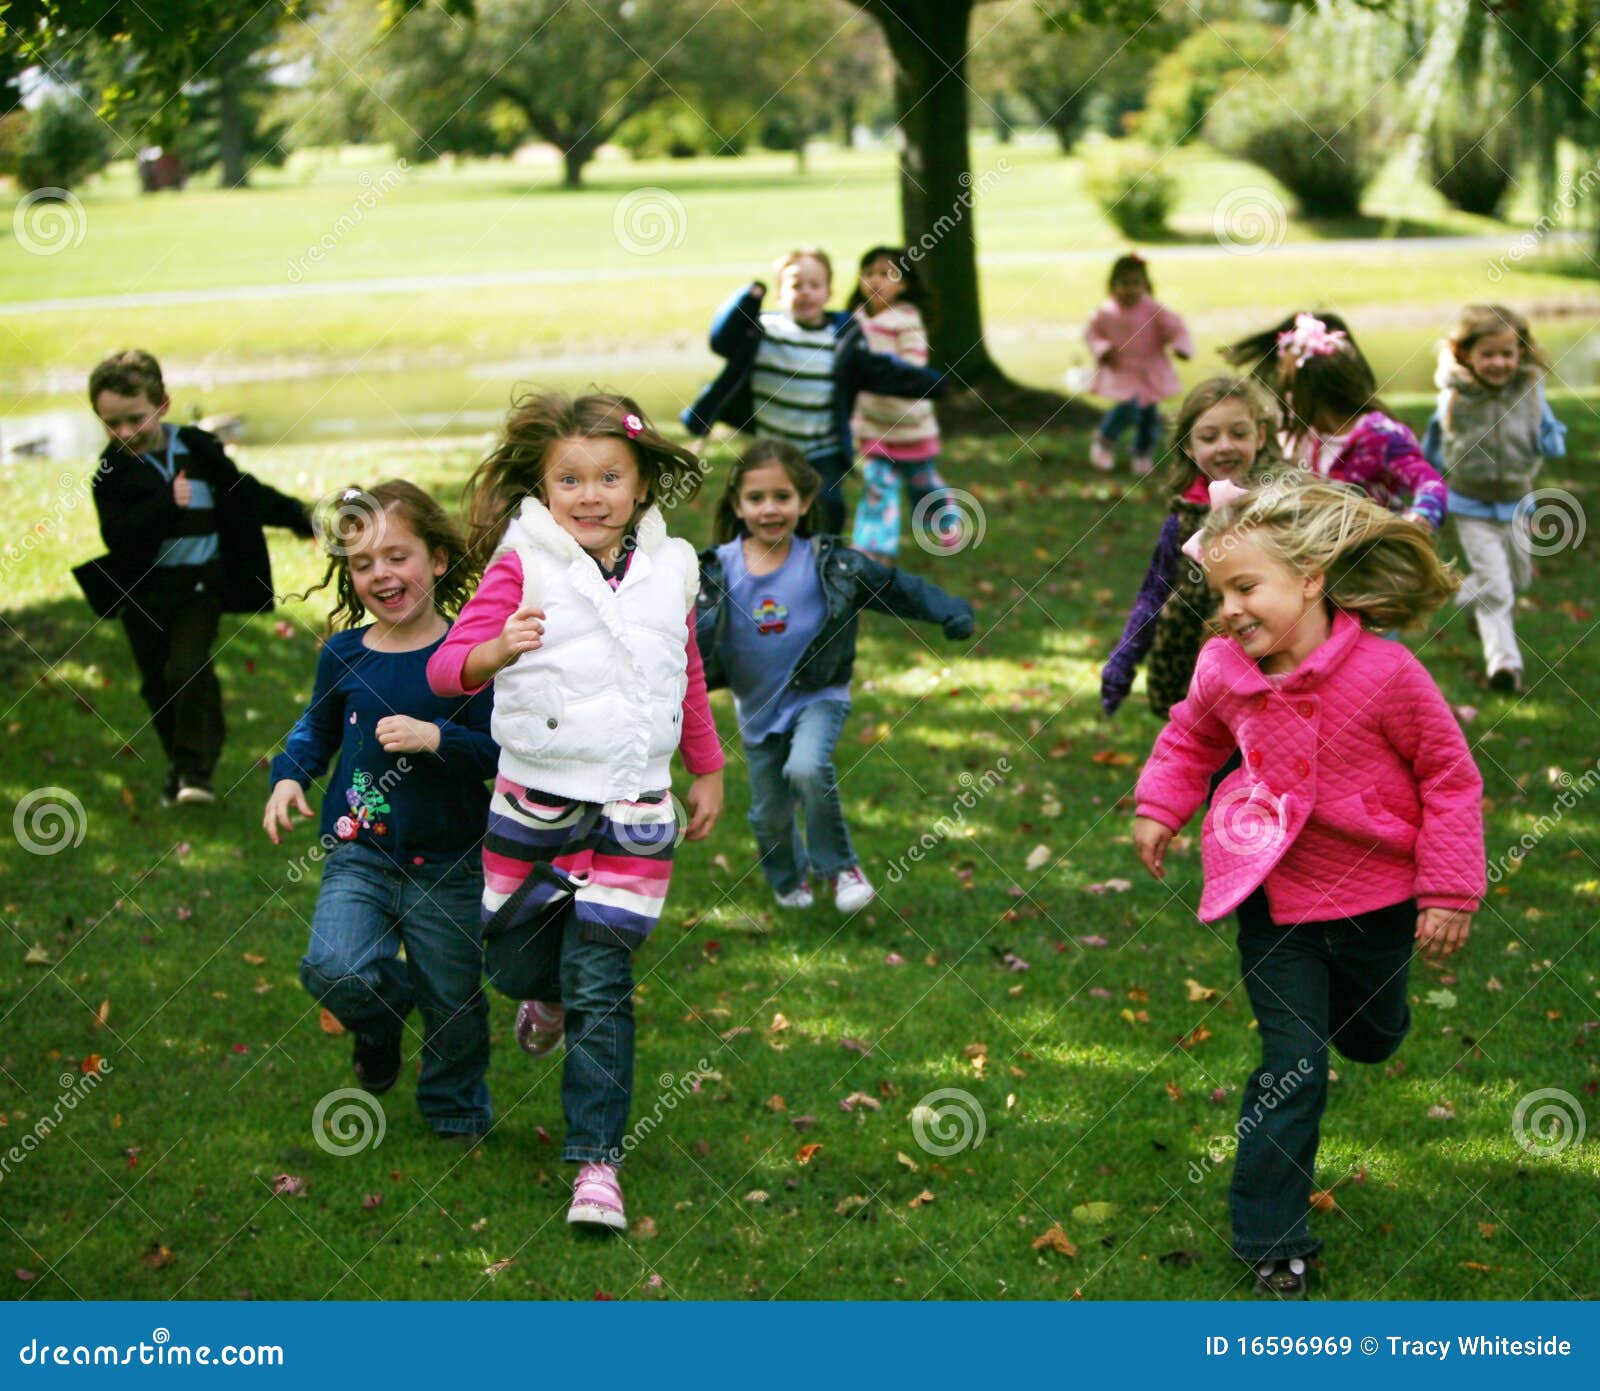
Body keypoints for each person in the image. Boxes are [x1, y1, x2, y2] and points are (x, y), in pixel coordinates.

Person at [1132, 477, 1483, 1298]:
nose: (1229, 610)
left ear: (1312, 579)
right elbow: (1190, 737)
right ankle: (1273, 1239)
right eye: (1220, 592)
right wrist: (1158, 807)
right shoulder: (1224, 669)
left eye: (1246, 588)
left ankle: (1373, 1021)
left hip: (1377, 902)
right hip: (1276, 902)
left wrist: (1448, 888)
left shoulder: (1387, 674)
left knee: (1371, 1038)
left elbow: (1449, 776)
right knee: (1293, 1066)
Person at [427, 391, 724, 1233]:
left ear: (642, 484)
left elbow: (685, 671)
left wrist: (706, 764)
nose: (590, 496)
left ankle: (597, 1163)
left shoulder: (673, 568)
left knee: (603, 978)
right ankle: (544, 997)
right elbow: (447, 669)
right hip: (537, 800)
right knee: (517, 963)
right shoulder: (523, 563)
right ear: (544, 487)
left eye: (609, 477)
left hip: (635, 805)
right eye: (570, 479)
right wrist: (495, 649)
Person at [264, 482, 495, 1141]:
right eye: (363, 563)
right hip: (358, 849)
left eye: (398, 556)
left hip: (449, 861)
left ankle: (454, 1105)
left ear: (438, 559)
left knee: (453, 1001)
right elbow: (315, 729)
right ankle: (382, 1016)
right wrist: (289, 775)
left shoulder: (471, 655)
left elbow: (502, 751)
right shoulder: (345, 654)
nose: (381, 574)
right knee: (331, 966)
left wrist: (437, 737)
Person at [696, 439, 974, 914]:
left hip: (819, 694)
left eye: (782, 497)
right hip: (758, 708)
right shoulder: (716, 570)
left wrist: (949, 610)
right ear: (738, 505)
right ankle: (788, 878)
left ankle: (842, 868)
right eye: (756, 498)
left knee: (807, 768)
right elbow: (675, 629)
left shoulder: (832, 564)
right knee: (770, 814)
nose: (769, 509)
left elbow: (895, 587)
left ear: (805, 502)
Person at [79, 349, 313, 805]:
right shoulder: (111, 474)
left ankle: (194, 774)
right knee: (158, 685)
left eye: (135, 419)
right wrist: (167, 504)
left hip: (199, 588)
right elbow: (120, 537)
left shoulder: (198, 449)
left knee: (186, 669)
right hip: (144, 593)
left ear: (162, 405)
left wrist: (300, 516)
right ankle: (181, 764)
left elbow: (243, 493)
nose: (124, 432)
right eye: (111, 424)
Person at [681, 246, 945, 534]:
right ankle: (757, 555)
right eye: (796, 285)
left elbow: (879, 370)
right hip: (772, 447)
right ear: (780, 294)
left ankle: (823, 555)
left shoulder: (841, 336)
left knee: (828, 507)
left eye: (814, 285)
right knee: (759, 511)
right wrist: (749, 297)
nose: (805, 292)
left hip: (822, 449)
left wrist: (930, 382)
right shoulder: (764, 330)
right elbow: (721, 339)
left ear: (828, 293)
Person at [1102, 376, 1286, 719]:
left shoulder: (1281, 506)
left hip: (1268, 666)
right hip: (1193, 670)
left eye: (1239, 433)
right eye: (1209, 437)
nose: (1225, 446)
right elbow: (1154, 592)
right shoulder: (1183, 517)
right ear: (1189, 445)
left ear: (1260, 436)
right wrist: (1124, 658)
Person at [1421, 304, 1566, 693]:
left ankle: (1467, 594)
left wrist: (1552, 438)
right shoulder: (1456, 394)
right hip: (1470, 505)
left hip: (1517, 502)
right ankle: (1504, 666)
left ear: (1521, 353)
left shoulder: (1529, 389)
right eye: (1488, 354)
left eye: (1507, 353)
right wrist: (1426, 478)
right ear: (1466, 353)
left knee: (1517, 579)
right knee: (1499, 589)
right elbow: (1436, 436)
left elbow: (1544, 421)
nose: (1498, 363)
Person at [1272, 314, 1448, 531]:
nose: (1287, 399)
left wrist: (1421, 517)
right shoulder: (1310, 439)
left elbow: (1429, 483)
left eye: (1290, 390)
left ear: (1310, 397)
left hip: (1379, 544)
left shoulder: (1381, 435)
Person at [845, 245, 960, 561]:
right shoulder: (853, 320)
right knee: (878, 485)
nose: (875, 280)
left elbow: (914, 368)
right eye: (869, 273)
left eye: (886, 274)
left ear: (904, 283)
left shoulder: (907, 320)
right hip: (872, 424)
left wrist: (880, 371)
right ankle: (873, 547)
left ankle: (945, 520)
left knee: (922, 483)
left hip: (910, 424)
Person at [1085, 253, 1193, 475]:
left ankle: (1142, 453)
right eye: (1124, 283)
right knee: (1127, 408)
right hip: (1123, 370)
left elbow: (1176, 329)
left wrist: (1180, 347)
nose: (1130, 289)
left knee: (1149, 418)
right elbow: (1092, 334)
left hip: (1149, 371)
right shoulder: (1106, 312)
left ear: (1145, 285)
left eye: (1135, 283)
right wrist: (1103, 349)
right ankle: (1105, 442)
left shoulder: (1154, 310)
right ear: (1113, 285)